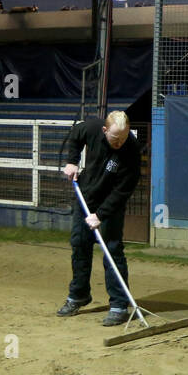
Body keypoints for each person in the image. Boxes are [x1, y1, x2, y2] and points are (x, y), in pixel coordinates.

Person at [56, 110, 142, 325]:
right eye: (115, 138)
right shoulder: (92, 128)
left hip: (111, 204)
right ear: (104, 130)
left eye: (124, 137)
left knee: (112, 249)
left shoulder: (131, 149)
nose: (119, 142)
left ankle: (119, 305)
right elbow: (75, 135)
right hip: (86, 196)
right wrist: (72, 161)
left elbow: (124, 189)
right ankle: (79, 295)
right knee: (79, 243)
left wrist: (100, 215)